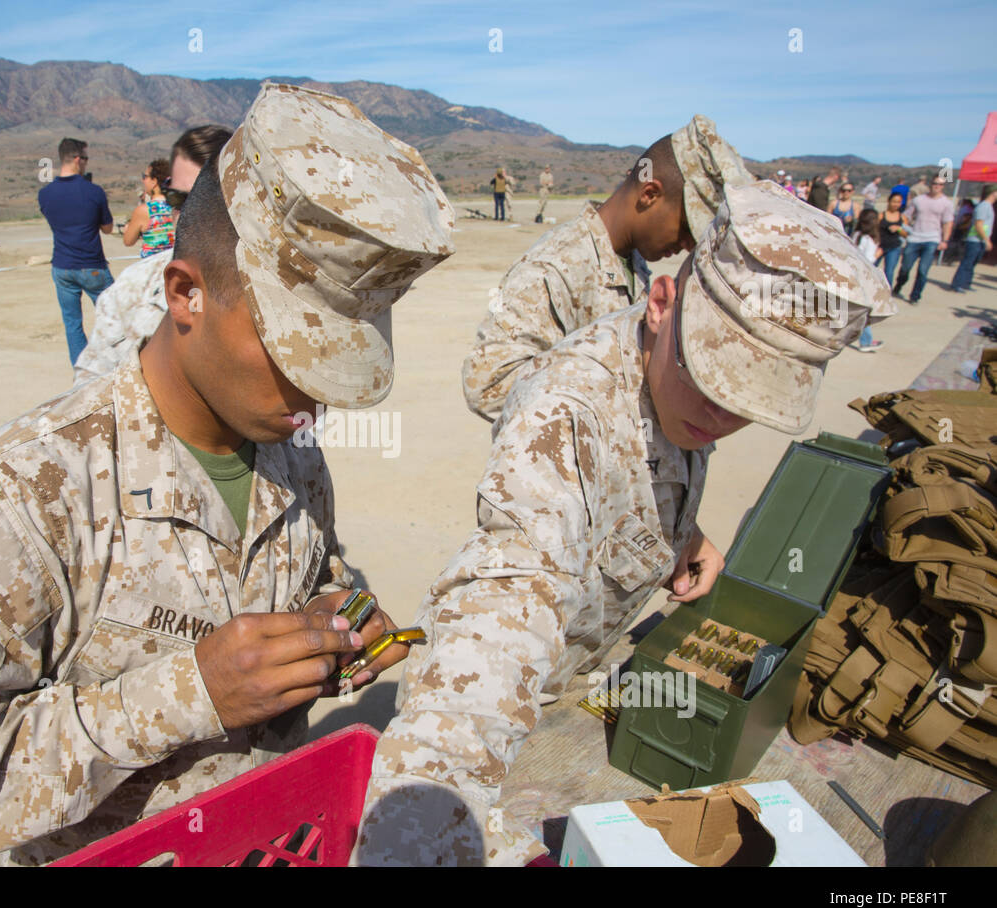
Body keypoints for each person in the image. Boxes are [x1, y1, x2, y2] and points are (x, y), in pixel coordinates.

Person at [0, 82, 455, 866]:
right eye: (293, 352)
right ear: (184, 294)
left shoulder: (292, 445)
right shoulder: (12, 499)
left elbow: (312, 571)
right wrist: (186, 693)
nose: (318, 394)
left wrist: (330, 620)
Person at [351, 181, 894, 866]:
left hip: (578, 673)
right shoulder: (563, 411)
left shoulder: (671, 376)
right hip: (512, 704)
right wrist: (420, 817)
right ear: (662, 303)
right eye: (709, 379)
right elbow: (500, 614)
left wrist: (678, 532)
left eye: (746, 402)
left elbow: (646, 470)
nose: (719, 415)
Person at [462, 115, 753, 422]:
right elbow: (489, 387)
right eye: (685, 228)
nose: (687, 245)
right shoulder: (556, 265)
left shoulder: (629, 258)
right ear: (649, 194)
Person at [73, 125, 233, 385]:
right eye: (177, 198)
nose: (187, 214)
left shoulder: (279, 292)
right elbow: (88, 389)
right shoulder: (132, 289)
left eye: (205, 200)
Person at [38, 137, 116, 366]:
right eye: (86, 158)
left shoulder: (45, 194)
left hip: (62, 266)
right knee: (113, 316)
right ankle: (117, 364)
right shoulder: (94, 191)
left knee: (72, 323)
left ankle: (82, 370)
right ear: (77, 159)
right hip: (92, 265)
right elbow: (108, 229)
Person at [894, 174, 954, 304]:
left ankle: (915, 296)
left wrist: (945, 240)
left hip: (932, 239)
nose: (937, 186)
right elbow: (907, 215)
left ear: (943, 187)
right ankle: (898, 286)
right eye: (935, 183)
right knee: (905, 268)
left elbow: (948, 223)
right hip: (915, 237)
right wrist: (901, 228)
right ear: (930, 184)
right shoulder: (919, 200)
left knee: (923, 270)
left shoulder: (946, 203)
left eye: (940, 184)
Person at [122, 158, 176, 257]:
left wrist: (127, 230)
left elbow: (128, 241)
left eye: (145, 176)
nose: (143, 180)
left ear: (154, 181)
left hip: (152, 269)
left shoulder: (144, 210)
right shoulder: (178, 207)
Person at [951, 184, 995, 293]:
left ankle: (966, 283)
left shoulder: (988, 206)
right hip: (975, 239)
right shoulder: (984, 206)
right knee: (967, 262)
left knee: (973, 262)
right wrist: (986, 239)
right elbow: (979, 224)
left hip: (979, 240)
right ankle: (957, 284)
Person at [852, 208, 884, 351]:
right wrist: (878, 254)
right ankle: (865, 341)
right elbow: (868, 260)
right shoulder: (869, 240)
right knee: (864, 311)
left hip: (852, 275)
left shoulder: (856, 235)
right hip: (864, 278)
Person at [878, 191, 908, 285]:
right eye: (894, 201)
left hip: (894, 247)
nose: (896, 204)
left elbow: (906, 234)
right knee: (871, 267)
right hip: (880, 246)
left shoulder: (902, 217)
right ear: (889, 201)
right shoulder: (881, 215)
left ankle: (887, 293)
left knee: (889, 272)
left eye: (898, 202)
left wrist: (898, 229)